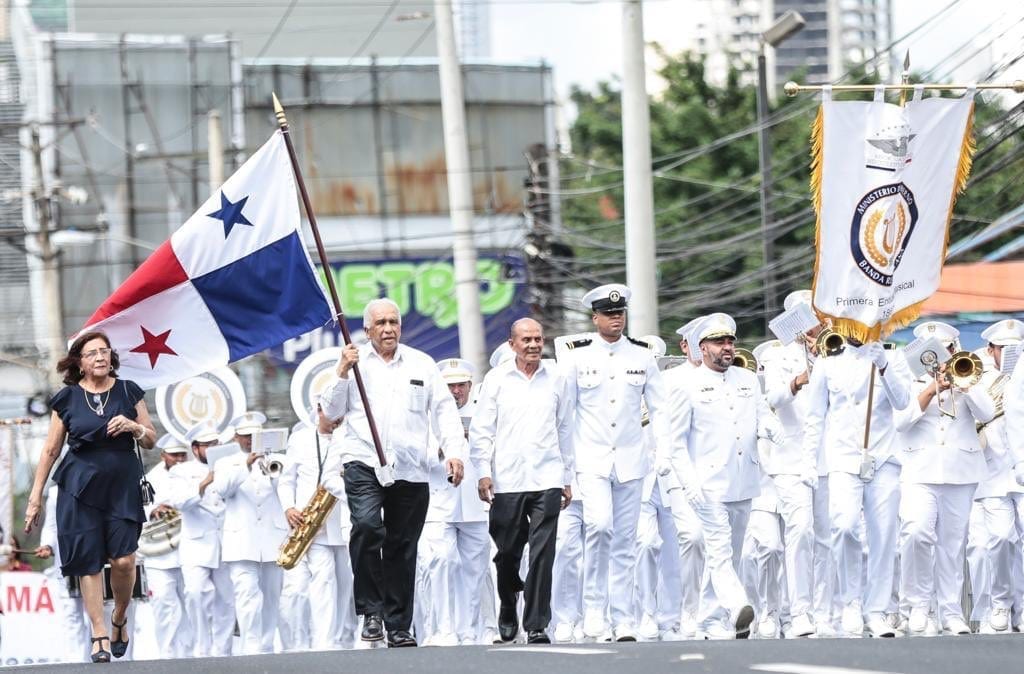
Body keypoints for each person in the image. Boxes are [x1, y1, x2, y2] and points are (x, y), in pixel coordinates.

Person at [320, 297, 466, 648]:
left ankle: (399, 624)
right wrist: (341, 371)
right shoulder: (353, 364)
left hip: (410, 467)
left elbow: (444, 411)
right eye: (381, 323)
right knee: (368, 527)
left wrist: (455, 452)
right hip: (363, 461)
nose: (388, 329)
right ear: (367, 329)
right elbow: (330, 412)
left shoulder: (422, 363)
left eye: (393, 322)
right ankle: (372, 611)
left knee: (403, 546)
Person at [23, 330, 156, 663]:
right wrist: (35, 497)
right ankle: (98, 633)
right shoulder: (66, 398)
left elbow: (151, 438)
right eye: (92, 353)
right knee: (88, 561)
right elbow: (51, 449)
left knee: (125, 561)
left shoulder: (128, 390)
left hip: (122, 486)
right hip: (78, 487)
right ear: (79, 363)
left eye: (105, 351)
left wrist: (134, 427)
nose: (100, 357)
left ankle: (119, 618)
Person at [657, 313, 778, 639]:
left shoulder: (748, 380)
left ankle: (720, 619)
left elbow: (762, 415)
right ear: (702, 347)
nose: (727, 347)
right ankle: (732, 608)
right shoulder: (686, 385)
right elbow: (676, 442)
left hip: (743, 481)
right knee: (719, 551)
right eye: (719, 342)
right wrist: (689, 483)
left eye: (730, 341)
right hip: (707, 484)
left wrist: (771, 429)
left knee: (733, 553)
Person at [562, 284, 671, 642]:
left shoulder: (641, 356)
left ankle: (623, 617)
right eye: (609, 314)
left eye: (620, 313)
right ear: (595, 318)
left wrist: (664, 452)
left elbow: (660, 409)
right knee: (599, 527)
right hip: (590, 459)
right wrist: (566, 466)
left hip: (631, 461)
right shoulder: (577, 357)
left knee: (626, 540)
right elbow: (565, 415)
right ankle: (594, 610)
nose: (616, 319)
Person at [801, 328, 912, 638]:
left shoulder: (892, 356)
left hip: (884, 458)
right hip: (843, 459)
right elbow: (815, 417)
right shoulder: (828, 362)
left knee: (883, 536)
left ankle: (875, 610)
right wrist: (810, 460)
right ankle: (850, 601)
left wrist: (885, 366)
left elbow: (903, 403)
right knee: (845, 526)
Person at [471, 317, 575, 644]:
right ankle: (507, 601)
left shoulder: (557, 379)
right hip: (507, 479)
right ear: (512, 343)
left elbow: (565, 429)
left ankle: (537, 623)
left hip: (547, 477)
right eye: (526, 340)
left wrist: (567, 477)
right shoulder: (496, 380)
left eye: (537, 339)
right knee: (507, 554)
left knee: (543, 551)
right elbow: (482, 430)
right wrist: (483, 472)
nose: (532, 345)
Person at [894, 321, 995, 636]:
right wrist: (929, 389)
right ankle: (918, 605)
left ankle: (950, 611)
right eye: (935, 352)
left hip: (959, 471)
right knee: (915, 533)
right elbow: (900, 422)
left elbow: (988, 414)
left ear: (955, 351)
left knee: (952, 545)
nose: (942, 358)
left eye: (948, 350)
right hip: (919, 470)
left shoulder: (969, 377)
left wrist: (965, 385)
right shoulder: (909, 382)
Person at [760, 290, 826, 638]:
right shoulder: (777, 356)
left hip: (829, 456)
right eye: (808, 317)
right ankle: (799, 611)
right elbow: (772, 398)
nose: (816, 323)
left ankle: (826, 609)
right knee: (800, 531)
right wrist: (797, 379)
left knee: (831, 535)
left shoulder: (837, 349)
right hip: (792, 458)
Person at [416, 358, 493, 646]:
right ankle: (440, 627)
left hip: (475, 502)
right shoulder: (426, 416)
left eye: (460, 385)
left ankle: (469, 629)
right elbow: (416, 454)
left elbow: (492, 452)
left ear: (470, 386)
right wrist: (443, 447)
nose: (455, 391)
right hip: (437, 501)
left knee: (475, 569)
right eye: (449, 386)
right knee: (440, 562)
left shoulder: (483, 414)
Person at [277, 406, 357, 651]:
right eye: (332, 413)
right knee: (315, 583)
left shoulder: (350, 436)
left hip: (340, 519)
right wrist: (289, 507)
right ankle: (313, 642)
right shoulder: (300, 439)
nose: (337, 418)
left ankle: (337, 639)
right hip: (308, 521)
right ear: (319, 410)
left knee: (342, 585)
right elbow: (287, 478)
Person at [210, 411, 287, 655]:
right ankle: (252, 646)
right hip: (241, 541)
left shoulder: (277, 459)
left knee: (272, 597)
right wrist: (246, 464)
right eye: (245, 437)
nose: (250, 441)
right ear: (236, 438)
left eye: (254, 436)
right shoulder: (225, 463)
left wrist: (270, 465)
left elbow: (284, 489)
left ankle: (266, 645)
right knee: (246, 595)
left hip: (272, 539)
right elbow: (221, 490)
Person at [967, 319, 1024, 634]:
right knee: (1000, 540)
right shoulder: (977, 374)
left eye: (1016, 347)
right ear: (991, 349)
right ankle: (1000, 603)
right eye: (1004, 348)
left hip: (1022, 467)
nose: (1011, 353)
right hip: (992, 470)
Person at [166, 420, 234, 658]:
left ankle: (224, 651)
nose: (213, 449)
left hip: (226, 542)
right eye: (208, 445)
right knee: (194, 593)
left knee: (226, 599)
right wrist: (205, 482)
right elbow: (179, 502)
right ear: (195, 449)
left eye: (216, 444)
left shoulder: (229, 467)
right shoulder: (180, 471)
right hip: (196, 544)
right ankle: (202, 648)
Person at [139, 434, 193, 658]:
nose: (179, 459)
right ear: (163, 455)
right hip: (158, 554)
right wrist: (154, 510)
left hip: (189, 551)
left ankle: (190, 656)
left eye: (182, 455)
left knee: (191, 604)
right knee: (163, 604)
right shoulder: (149, 478)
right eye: (174, 455)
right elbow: (138, 507)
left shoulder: (194, 473)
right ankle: (168, 655)